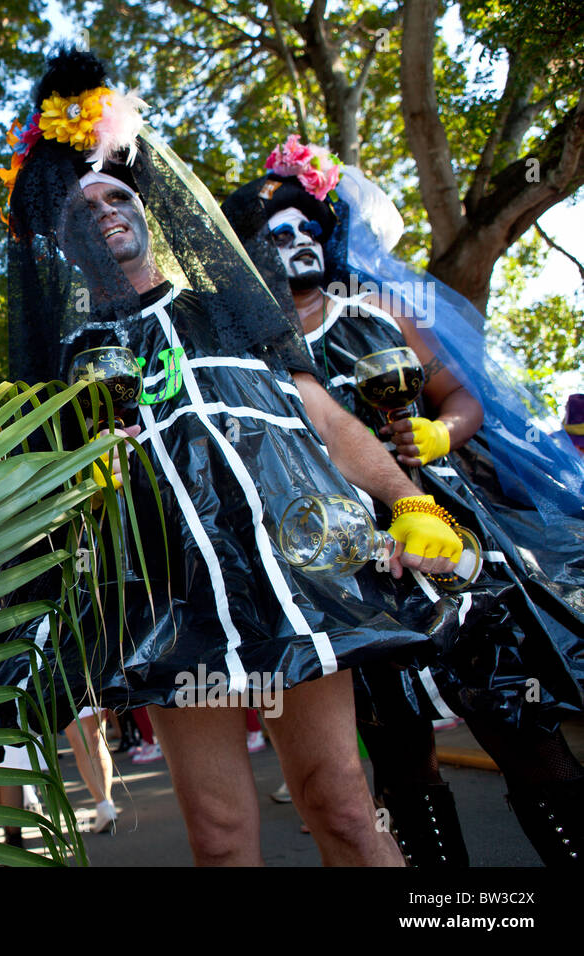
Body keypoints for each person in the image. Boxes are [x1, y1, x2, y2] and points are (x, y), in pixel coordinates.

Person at [0, 49, 465, 866]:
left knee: (345, 808)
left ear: (147, 210)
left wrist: (410, 501)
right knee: (218, 837)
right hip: (173, 607)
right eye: (81, 209)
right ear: (64, 244)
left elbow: (321, 416)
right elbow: (50, 499)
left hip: (297, 581)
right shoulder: (69, 363)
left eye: (115, 195)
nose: (103, 211)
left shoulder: (230, 311)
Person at [223, 145, 584, 865]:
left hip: (444, 529)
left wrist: (437, 432)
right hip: (349, 564)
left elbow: (460, 399)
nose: (296, 246)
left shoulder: (381, 310)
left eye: (305, 230)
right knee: (398, 752)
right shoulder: (251, 353)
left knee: (517, 716)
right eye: (276, 236)